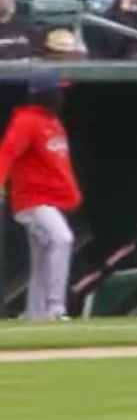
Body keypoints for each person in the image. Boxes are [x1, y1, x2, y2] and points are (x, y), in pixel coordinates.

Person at [0, 71, 82, 320]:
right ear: (44, 95)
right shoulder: (27, 120)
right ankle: (55, 307)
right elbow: (7, 152)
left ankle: (36, 315)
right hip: (33, 201)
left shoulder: (52, 122)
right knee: (62, 239)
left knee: (43, 258)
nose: (61, 96)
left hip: (49, 200)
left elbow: (57, 166)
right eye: (57, 91)